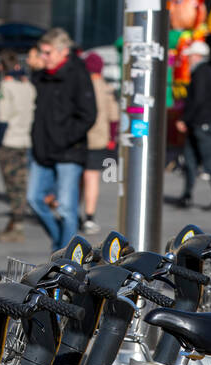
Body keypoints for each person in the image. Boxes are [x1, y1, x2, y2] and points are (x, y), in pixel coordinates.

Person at [29, 28, 97, 251]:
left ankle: (65, 256)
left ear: (63, 52)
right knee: (34, 198)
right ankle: (60, 243)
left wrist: (65, 137)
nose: (43, 57)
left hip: (69, 150)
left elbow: (88, 114)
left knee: (67, 207)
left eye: (47, 53)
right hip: (43, 150)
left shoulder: (77, 73)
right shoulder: (42, 76)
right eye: (41, 52)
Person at [175, 39, 211, 211]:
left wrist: (185, 118)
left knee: (209, 161)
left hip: (201, 123)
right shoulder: (209, 72)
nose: (188, 59)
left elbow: (197, 99)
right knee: (190, 160)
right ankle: (187, 195)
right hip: (201, 122)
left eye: (190, 56)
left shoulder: (201, 73)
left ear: (197, 56)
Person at [0, 48, 36, 242]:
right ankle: (16, 222)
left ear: (2, 67)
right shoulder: (27, 86)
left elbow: (3, 118)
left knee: (12, 185)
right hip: (24, 139)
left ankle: (16, 226)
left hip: (9, 140)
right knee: (21, 182)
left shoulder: (6, 86)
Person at [81, 52, 119, 235]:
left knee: (77, 176)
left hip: (79, 138)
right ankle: (89, 216)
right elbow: (114, 116)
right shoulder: (106, 87)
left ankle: (71, 211)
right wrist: (111, 138)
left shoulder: (81, 86)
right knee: (92, 177)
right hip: (99, 138)